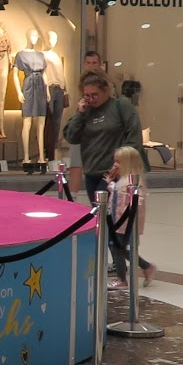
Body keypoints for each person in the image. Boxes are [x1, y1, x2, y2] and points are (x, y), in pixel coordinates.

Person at [63, 71, 144, 275]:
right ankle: (132, 267)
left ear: (106, 90)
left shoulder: (121, 107)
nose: (91, 99)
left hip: (114, 176)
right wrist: (80, 113)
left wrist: (121, 165)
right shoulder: (86, 110)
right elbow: (71, 136)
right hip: (92, 173)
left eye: (94, 95)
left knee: (113, 225)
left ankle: (126, 271)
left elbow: (134, 138)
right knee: (104, 224)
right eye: (87, 95)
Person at [106, 145, 156, 288]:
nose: (115, 165)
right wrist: (110, 182)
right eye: (114, 161)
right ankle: (146, 266)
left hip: (125, 224)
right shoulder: (121, 180)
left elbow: (136, 202)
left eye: (119, 162)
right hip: (116, 223)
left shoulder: (132, 183)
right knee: (118, 249)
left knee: (117, 249)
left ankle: (122, 279)